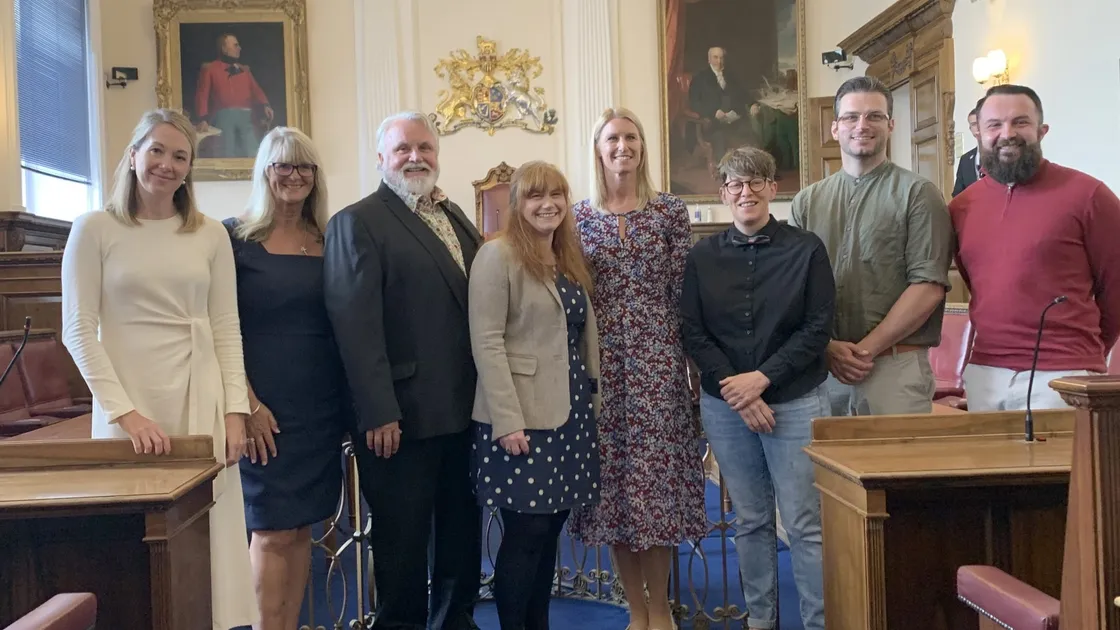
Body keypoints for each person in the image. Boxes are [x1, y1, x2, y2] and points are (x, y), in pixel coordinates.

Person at [61, 108, 256, 630]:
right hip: (130, 402)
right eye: (157, 151)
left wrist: (235, 411)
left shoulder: (210, 233)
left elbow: (226, 327)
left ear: (190, 168)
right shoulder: (94, 229)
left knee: (205, 538)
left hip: (201, 396)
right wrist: (126, 414)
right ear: (132, 155)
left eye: (180, 156)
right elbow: (78, 331)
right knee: (133, 541)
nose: (166, 165)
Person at [323, 111, 483, 630]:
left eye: (425, 148)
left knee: (460, 533)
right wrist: (377, 411)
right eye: (402, 149)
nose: (416, 157)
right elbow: (355, 326)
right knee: (403, 544)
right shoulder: (358, 221)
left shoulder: (454, 212)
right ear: (381, 159)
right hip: (400, 419)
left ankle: (454, 622)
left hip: (464, 410)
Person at [681, 147, 832, 630]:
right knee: (750, 520)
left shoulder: (806, 249)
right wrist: (737, 392)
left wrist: (761, 381)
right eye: (734, 184)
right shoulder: (702, 256)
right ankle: (760, 622)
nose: (745, 192)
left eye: (755, 182)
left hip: (794, 400)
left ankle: (818, 623)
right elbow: (692, 330)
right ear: (723, 192)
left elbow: (816, 328)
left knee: (806, 526)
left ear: (772, 187)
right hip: (726, 408)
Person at [569, 107, 707, 630]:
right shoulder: (578, 216)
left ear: (642, 147)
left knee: (659, 490)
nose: (622, 146)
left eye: (630, 137)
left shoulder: (668, 211)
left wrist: (693, 366)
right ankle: (635, 611)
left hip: (659, 365)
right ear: (598, 149)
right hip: (602, 369)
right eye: (612, 139)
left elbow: (683, 292)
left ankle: (661, 610)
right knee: (616, 495)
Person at [223, 127, 349, 630]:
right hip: (265, 411)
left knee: (302, 531)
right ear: (265, 171)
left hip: (319, 407)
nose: (295, 175)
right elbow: (221, 329)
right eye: (283, 165)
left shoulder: (328, 239)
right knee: (272, 531)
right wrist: (247, 403)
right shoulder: (234, 238)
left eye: (305, 167)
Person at [469, 160, 602, 630]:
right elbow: (486, 341)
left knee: (549, 535)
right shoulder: (497, 255)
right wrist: (507, 421)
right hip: (521, 421)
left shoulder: (566, 256)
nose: (548, 205)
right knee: (525, 534)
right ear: (517, 204)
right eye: (535, 196)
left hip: (569, 415)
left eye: (557, 195)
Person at [790, 76, 955, 416]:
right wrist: (829, 347)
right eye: (851, 117)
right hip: (823, 368)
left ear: (890, 125)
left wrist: (865, 351)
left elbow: (928, 286)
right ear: (835, 128)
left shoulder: (918, 194)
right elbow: (792, 288)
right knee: (824, 470)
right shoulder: (807, 202)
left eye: (874, 116)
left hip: (894, 366)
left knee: (898, 468)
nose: (862, 125)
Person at [950, 84, 1120, 411]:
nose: (1007, 133)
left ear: (1042, 131)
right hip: (985, 371)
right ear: (979, 133)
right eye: (995, 125)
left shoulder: (1088, 195)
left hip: (1064, 373)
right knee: (989, 463)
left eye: (1021, 123)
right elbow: (979, 284)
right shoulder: (961, 207)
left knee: (1066, 465)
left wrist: (1089, 349)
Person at [195, 33, 274, 158]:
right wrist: (203, 118)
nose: (239, 48)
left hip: (246, 116)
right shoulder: (210, 69)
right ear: (224, 48)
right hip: (223, 117)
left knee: (251, 149)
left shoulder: (244, 70)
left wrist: (265, 105)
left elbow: (256, 89)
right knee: (227, 150)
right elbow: (203, 94)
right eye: (236, 45)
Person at [951, 100, 984, 197]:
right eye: (973, 124)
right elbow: (958, 193)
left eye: (979, 123)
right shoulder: (965, 159)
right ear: (970, 129)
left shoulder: (1000, 154)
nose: (977, 127)